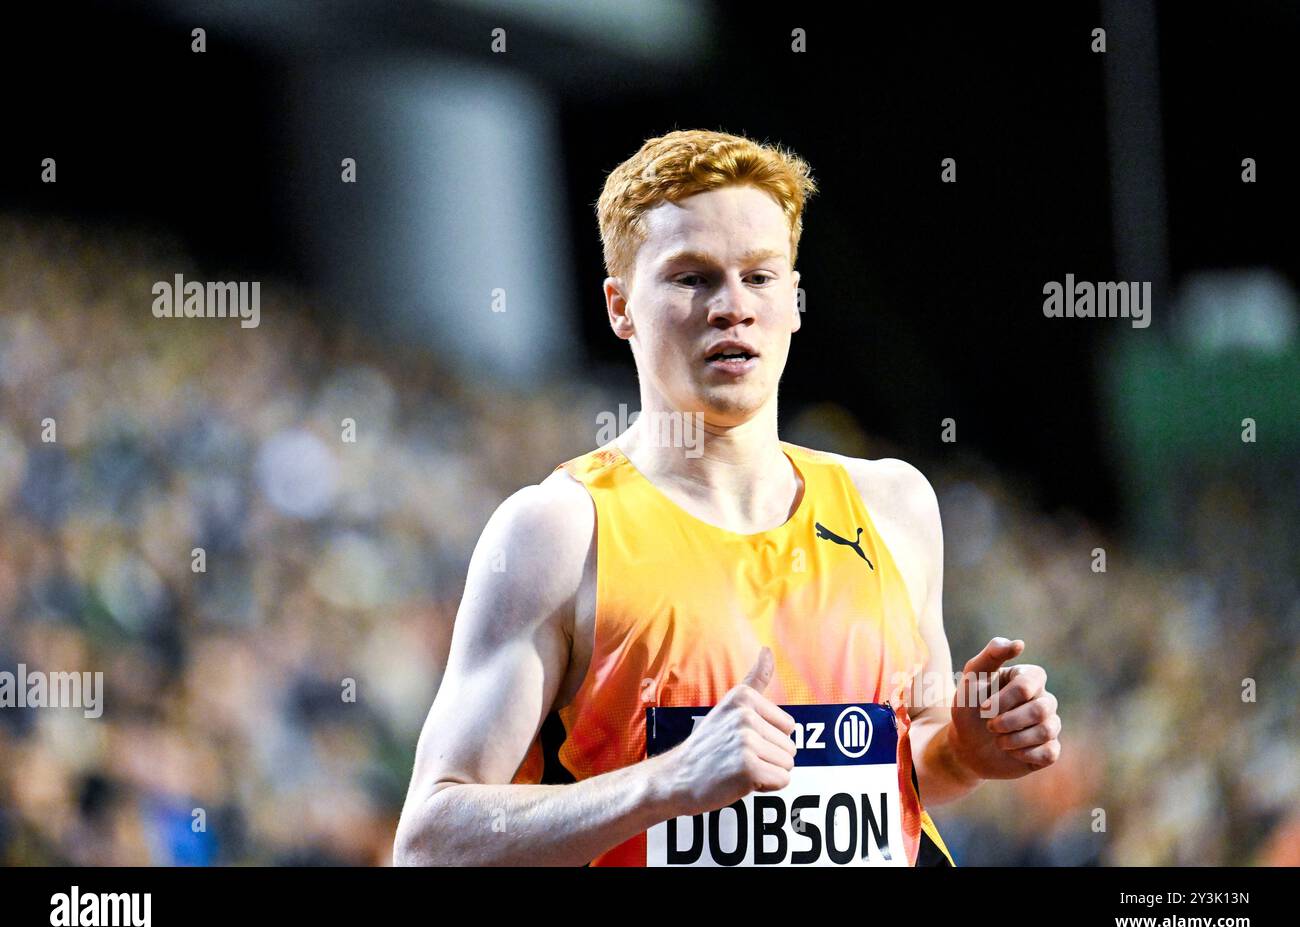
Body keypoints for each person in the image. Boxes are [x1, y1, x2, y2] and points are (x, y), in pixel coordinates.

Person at [393, 129, 1061, 866]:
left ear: (796, 300)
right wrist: (667, 782)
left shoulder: (894, 506)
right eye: (693, 278)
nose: (732, 308)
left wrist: (967, 751)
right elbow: (432, 843)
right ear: (620, 307)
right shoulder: (558, 531)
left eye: (760, 277)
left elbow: (918, 765)